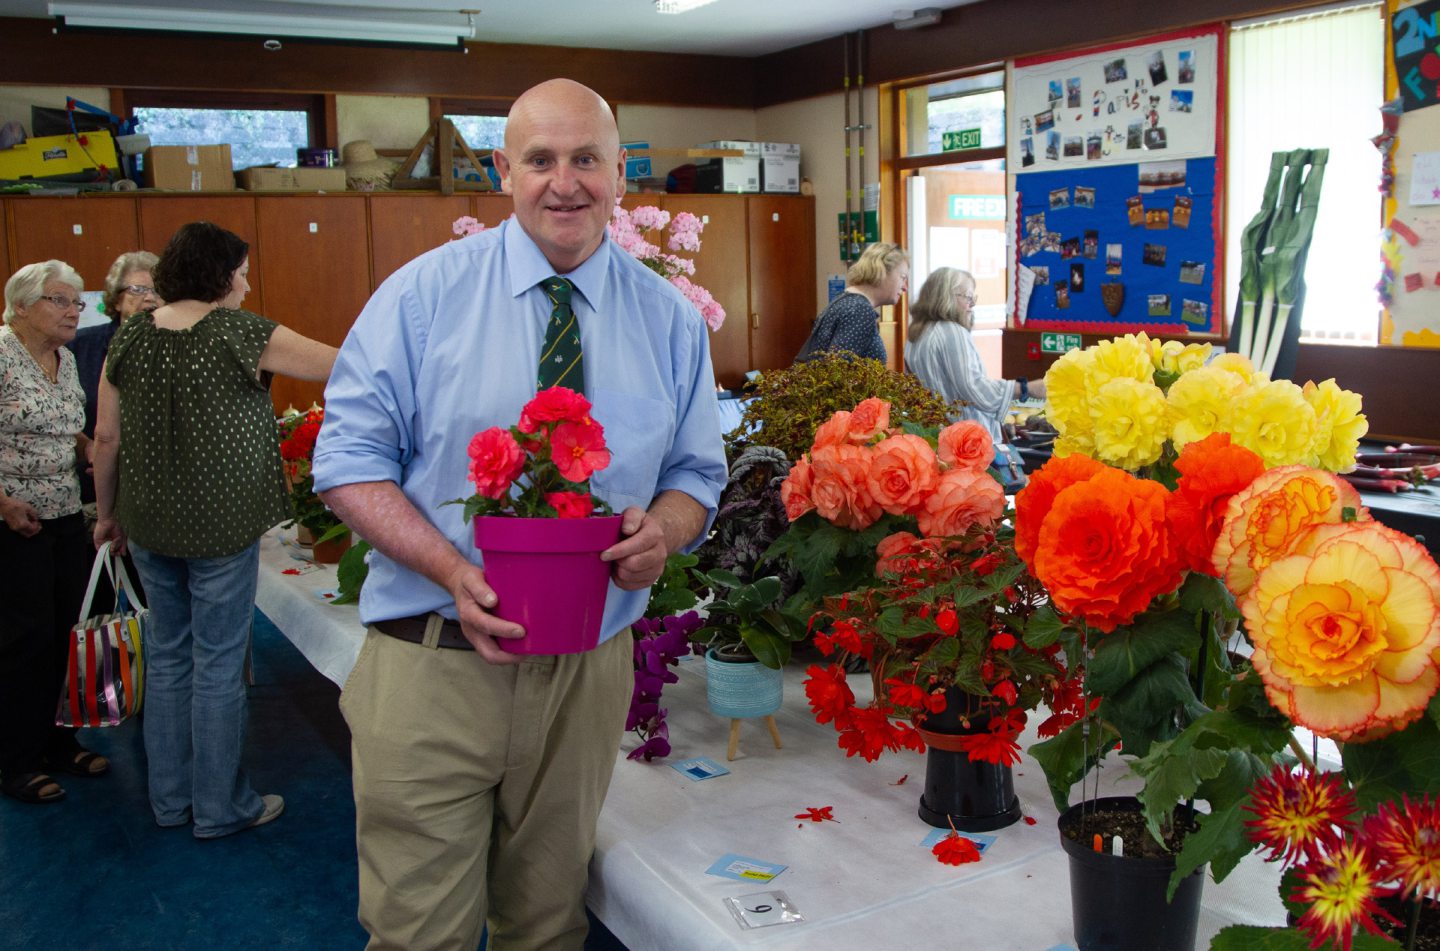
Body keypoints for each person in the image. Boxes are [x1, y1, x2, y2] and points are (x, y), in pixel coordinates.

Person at [312, 78, 727, 950]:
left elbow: (695, 470)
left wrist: (667, 529)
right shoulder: (421, 300)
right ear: (504, 170)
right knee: (419, 934)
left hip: (586, 676)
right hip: (434, 670)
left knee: (546, 926)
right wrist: (450, 567)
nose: (564, 182)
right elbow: (346, 466)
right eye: (541, 159)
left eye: (587, 159)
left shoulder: (671, 322)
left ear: (621, 175)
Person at [91, 222, 337, 838]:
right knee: (220, 663)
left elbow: (106, 438)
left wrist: (105, 515)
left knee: (170, 658)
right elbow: (343, 365)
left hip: (147, 520)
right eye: (243, 271)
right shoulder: (240, 330)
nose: (248, 282)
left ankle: (170, 802)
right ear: (221, 275)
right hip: (220, 522)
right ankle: (222, 807)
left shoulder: (130, 336)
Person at [0, 260, 109, 805]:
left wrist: (92, 448)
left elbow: (67, 430)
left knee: (69, 632)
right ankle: (17, 760)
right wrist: (1, 503)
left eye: (76, 302)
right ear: (21, 306)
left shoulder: (64, 359)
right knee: (25, 641)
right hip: (13, 522)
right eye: (59, 301)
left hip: (65, 514)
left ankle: (61, 746)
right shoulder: (1, 354)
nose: (74, 311)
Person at [906, 267, 1046, 443]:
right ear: (946, 297)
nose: (972, 305)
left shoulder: (917, 334)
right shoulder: (952, 331)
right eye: (968, 297)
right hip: (966, 440)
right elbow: (974, 389)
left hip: (936, 435)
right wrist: (1027, 388)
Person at [794, 241, 910, 363]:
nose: (905, 287)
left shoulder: (845, 301)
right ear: (881, 271)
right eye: (903, 277)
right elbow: (838, 372)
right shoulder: (860, 311)